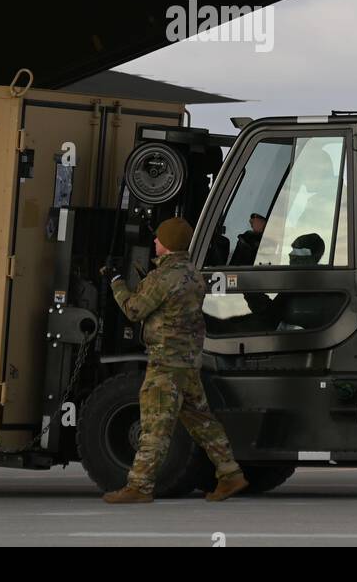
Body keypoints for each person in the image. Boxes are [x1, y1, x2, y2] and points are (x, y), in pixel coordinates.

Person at [102, 216, 248, 504]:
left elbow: (134, 310)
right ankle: (230, 473)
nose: (154, 242)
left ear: (167, 245)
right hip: (189, 361)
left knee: (155, 424)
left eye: (158, 238)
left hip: (166, 363)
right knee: (202, 421)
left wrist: (116, 282)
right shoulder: (193, 274)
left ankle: (139, 486)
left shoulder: (162, 278)